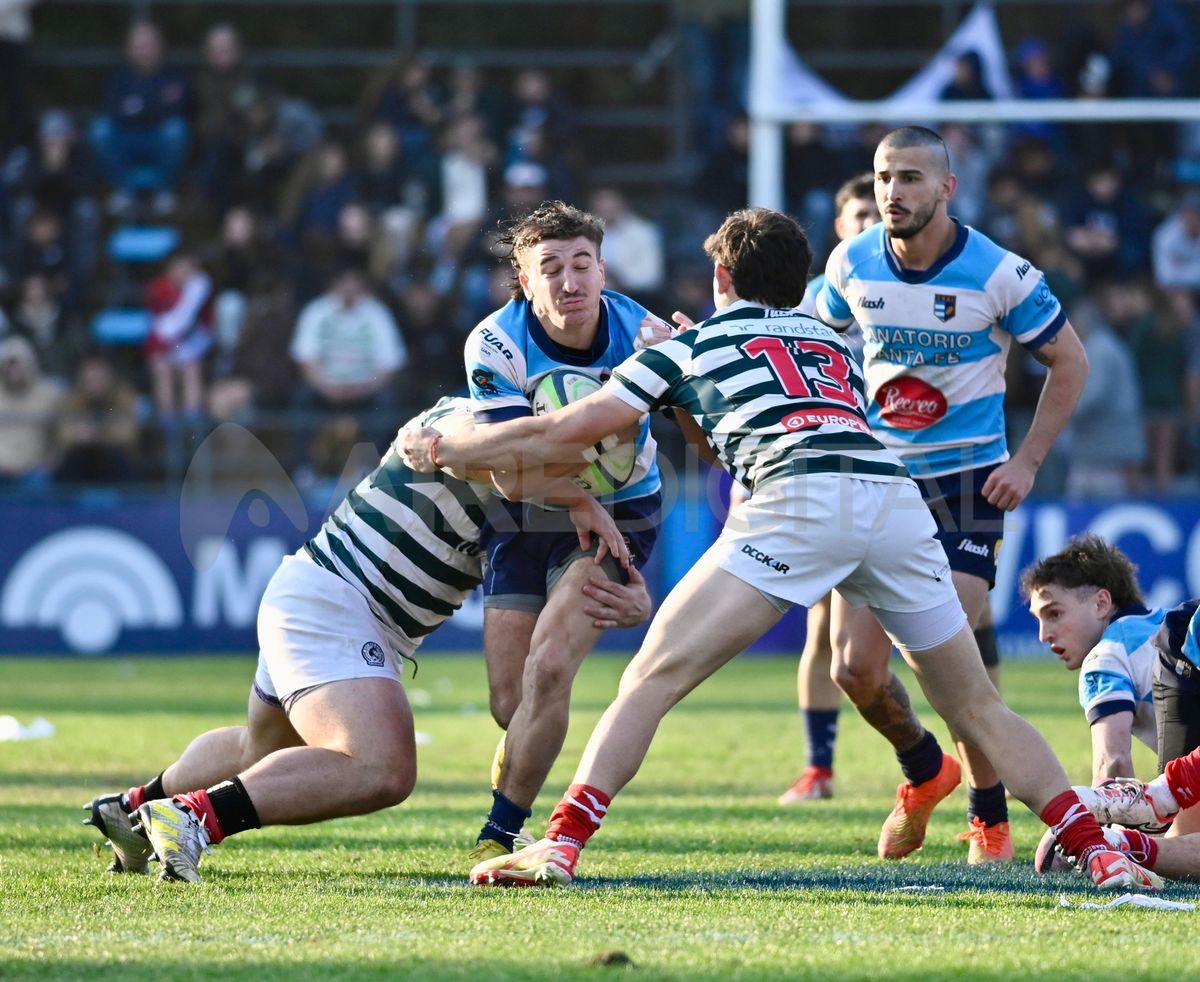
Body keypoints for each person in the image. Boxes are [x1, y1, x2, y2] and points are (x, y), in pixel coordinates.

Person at [401, 206, 1155, 893]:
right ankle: (1100, 851)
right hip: (892, 501)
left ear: (721, 277)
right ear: (802, 282)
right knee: (980, 707)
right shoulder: (832, 343)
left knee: (652, 680)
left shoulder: (686, 346)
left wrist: (445, 444)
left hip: (798, 500)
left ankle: (560, 845)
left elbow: (564, 432)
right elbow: (758, 421)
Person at [81, 397, 650, 882]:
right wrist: (576, 497)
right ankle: (195, 816)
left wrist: (629, 595)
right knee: (382, 767)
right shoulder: (479, 418)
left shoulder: (530, 456)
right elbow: (445, 441)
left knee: (259, 752)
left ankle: (133, 807)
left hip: (322, 594)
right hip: (339, 601)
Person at [811, 126, 1089, 864]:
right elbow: (807, 344)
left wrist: (1027, 462)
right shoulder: (850, 263)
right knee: (854, 671)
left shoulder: (1000, 273)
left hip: (966, 485)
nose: (893, 193)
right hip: (873, 480)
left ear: (945, 188)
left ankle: (988, 816)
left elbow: (1071, 363)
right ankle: (926, 771)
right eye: (882, 179)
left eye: (909, 178)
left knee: (949, 652)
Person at [459, 200, 665, 869]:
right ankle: (522, 765)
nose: (569, 281)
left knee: (550, 667)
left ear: (604, 270)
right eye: (550, 268)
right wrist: (576, 495)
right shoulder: (496, 342)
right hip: (526, 512)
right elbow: (507, 467)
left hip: (624, 512)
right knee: (510, 699)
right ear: (524, 282)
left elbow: (701, 429)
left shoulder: (645, 335)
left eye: (582, 264)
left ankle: (503, 830)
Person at [768, 172, 877, 805]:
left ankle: (976, 781)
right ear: (840, 228)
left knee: (959, 632)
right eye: (858, 214)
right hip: (834, 473)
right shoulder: (806, 302)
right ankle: (820, 769)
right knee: (823, 629)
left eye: (875, 214)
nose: (869, 224)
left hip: (912, 471)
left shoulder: (913, 291)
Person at [1023, 534, 1200, 836]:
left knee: (1177, 850)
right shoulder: (1163, 621)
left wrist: (1092, 840)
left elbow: (1113, 765)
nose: (1044, 634)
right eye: (1039, 619)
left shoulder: (1105, 656)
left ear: (1102, 603)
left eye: (1054, 614)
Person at [89, 21, 190, 216]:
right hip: (126, 138)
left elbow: (179, 109)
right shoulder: (118, 78)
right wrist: (155, 104)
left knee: (176, 130)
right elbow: (113, 112)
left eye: (148, 45)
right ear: (128, 49)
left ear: (160, 47)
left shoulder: (174, 76)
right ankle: (124, 192)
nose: (144, 51)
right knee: (100, 130)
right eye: (138, 46)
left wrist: (138, 106)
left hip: (158, 139)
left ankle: (163, 192)